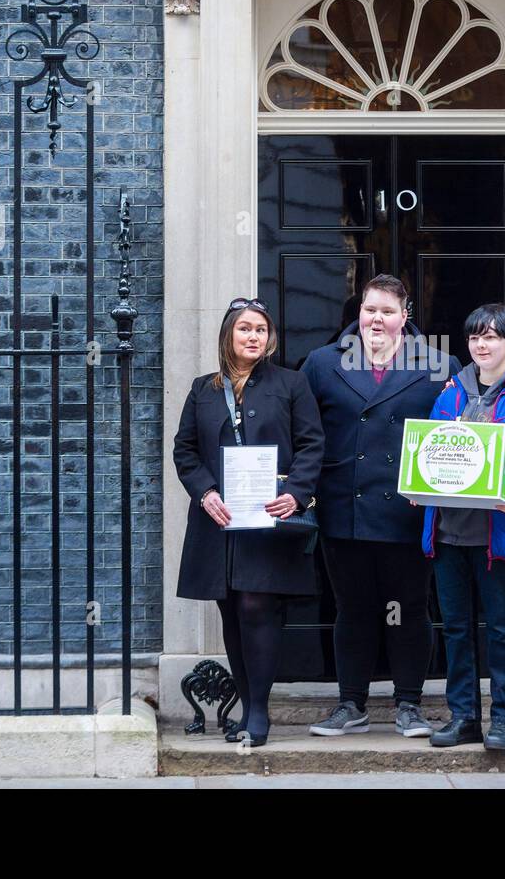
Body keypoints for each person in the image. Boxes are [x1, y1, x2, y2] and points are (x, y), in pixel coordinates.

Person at [301, 275, 460, 738]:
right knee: (351, 607)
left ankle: (409, 703)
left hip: (408, 509)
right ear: (359, 311)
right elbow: (304, 433)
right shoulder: (322, 363)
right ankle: (350, 703)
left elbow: (458, 432)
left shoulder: (438, 364)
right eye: (370, 310)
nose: (377, 319)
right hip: (342, 507)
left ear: (404, 315)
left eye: (388, 311)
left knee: (410, 606)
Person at [172, 297, 325, 747]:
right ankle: (245, 703)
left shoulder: (292, 384)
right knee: (232, 611)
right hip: (218, 519)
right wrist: (205, 493)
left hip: (268, 517)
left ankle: (259, 709)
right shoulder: (203, 388)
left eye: (260, 329)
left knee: (259, 607)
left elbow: (313, 443)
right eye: (244, 329)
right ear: (228, 336)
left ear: (270, 337)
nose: (253, 336)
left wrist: (295, 493)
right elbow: (185, 450)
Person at [417, 303, 505, 752]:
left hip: (499, 536)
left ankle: (503, 721)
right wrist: (416, 482)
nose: (482, 345)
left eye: (492, 337)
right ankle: (463, 718)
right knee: (456, 629)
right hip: (448, 532)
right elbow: (429, 456)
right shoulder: (449, 395)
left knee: (502, 630)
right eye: (476, 337)